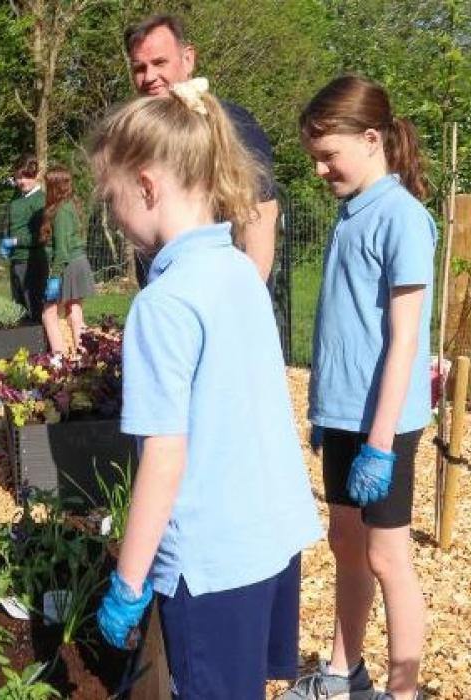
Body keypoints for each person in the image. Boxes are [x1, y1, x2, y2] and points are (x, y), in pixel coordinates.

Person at [89, 80, 321, 697]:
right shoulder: (242, 274)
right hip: (270, 539)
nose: (112, 217)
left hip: (209, 562)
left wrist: (129, 582)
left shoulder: (162, 305)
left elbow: (164, 458)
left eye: (111, 199)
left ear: (146, 185)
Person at [277, 76, 434, 700]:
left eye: (328, 155)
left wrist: (379, 443)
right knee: (347, 546)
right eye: (315, 157)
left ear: (372, 140)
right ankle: (345, 673)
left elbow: (404, 341)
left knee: (388, 559)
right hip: (344, 417)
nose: (320, 169)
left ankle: (405, 689)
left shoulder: (402, 218)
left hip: (384, 424)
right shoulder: (351, 215)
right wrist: (326, 415)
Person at [125, 14, 279, 286]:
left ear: (188, 59)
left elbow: (260, 217)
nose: (149, 77)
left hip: (220, 298)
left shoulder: (230, 124)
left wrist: (246, 302)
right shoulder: (138, 138)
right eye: (139, 68)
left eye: (159, 62)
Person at [38, 164, 94, 355]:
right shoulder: (71, 206)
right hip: (80, 262)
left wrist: (54, 277)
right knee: (74, 311)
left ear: (54, 186)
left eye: (47, 185)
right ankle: (85, 355)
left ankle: (58, 358)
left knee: (48, 313)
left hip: (68, 265)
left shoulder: (60, 212)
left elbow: (61, 251)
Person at [0, 154, 46, 321]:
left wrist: (16, 241)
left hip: (32, 262)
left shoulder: (41, 201)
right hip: (16, 260)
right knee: (19, 311)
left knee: (34, 310)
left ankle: (41, 346)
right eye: (19, 177)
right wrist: (5, 240)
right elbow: (12, 225)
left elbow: (41, 236)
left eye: (27, 177)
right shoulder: (16, 198)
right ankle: (23, 346)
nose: (22, 181)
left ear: (36, 176)